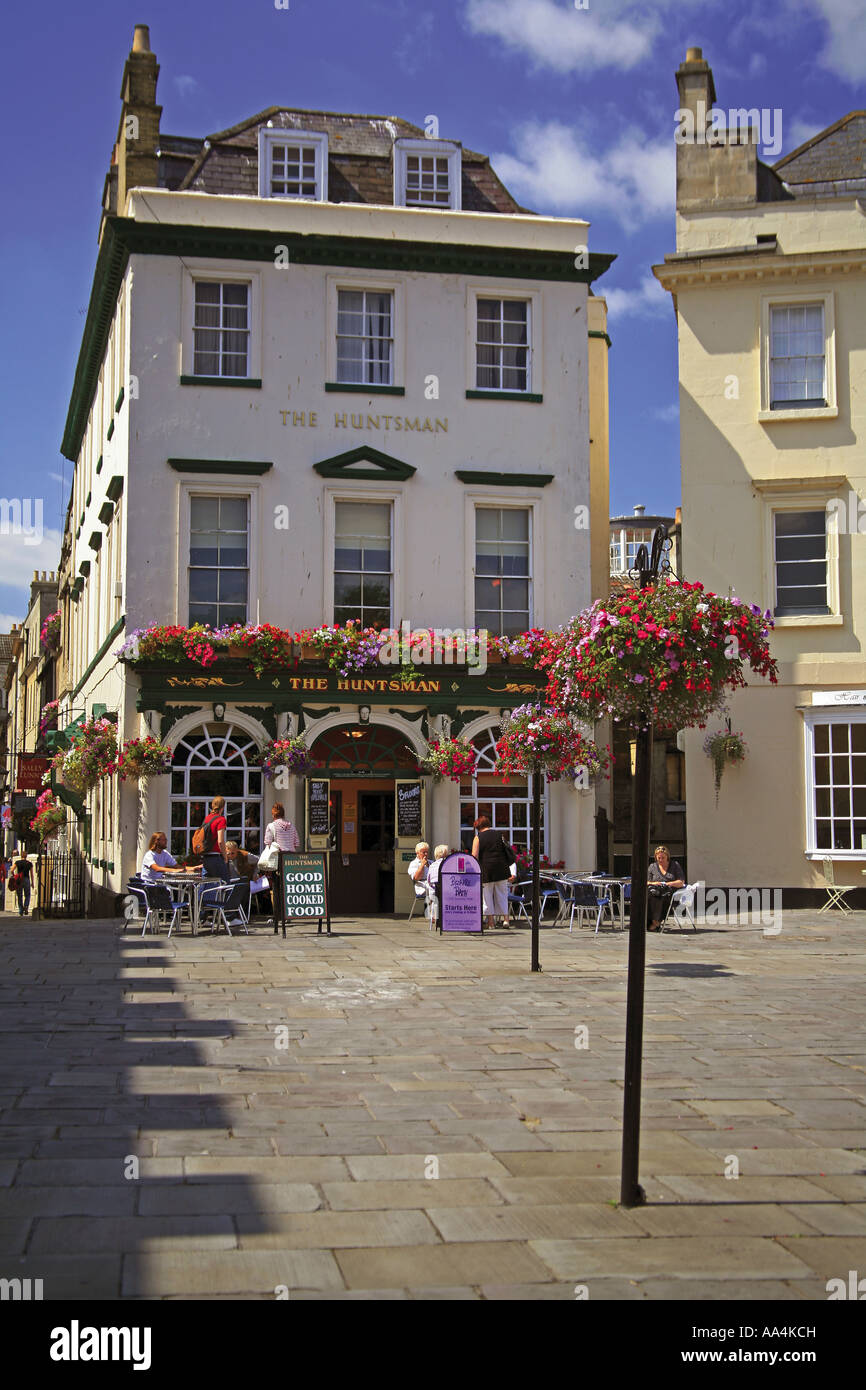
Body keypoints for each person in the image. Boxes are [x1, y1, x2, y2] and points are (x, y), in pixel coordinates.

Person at [472, 816, 516, 930]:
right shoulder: (499, 835)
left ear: (478, 827)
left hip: (487, 870)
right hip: (501, 868)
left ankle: (491, 922)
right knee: (502, 894)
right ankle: (506, 920)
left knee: (487, 896)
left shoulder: (478, 837)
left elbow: (474, 856)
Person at [263, 803, 300, 923]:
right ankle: (287, 914)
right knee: (288, 888)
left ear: (273, 814)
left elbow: (267, 843)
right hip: (290, 860)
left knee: (276, 888)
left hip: (278, 860)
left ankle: (277, 916)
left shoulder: (271, 826)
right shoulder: (291, 826)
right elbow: (296, 843)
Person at [140, 832, 186, 912]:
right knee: (176, 891)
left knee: (182, 890)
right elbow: (157, 868)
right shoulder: (149, 855)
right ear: (157, 842)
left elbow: (177, 866)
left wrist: (192, 868)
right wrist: (175, 871)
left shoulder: (164, 854)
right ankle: (169, 912)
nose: (166, 841)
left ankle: (172, 913)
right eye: (164, 840)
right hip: (150, 886)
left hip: (160, 884)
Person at [226, 840, 270, 916]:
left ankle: (240, 914)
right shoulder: (224, 857)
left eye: (233, 853)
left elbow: (259, 861)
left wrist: (255, 874)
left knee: (242, 892)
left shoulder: (245, 855)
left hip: (244, 881)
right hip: (230, 882)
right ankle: (229, 914)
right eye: (228, 854)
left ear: (237, 850)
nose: (230, 856)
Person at [647, 845, 686, 930]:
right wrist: (655, 883)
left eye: (663, 858)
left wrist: (668, 883)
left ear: (667, 857)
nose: (660, 860)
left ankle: (656, 922)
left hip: (669, 891)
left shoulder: (675, 865)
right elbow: (647, 882)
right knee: (651, 895)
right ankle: (653, 922)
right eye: (659, 858)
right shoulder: (652, 867)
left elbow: (681, 882)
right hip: (655, 889)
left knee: (663, 896)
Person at [199, 796, 229, 882]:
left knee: (206, 885)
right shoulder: (221, 820)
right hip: (216, 857)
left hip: (206, 857)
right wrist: (225, 857)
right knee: (225, 885)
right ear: (223, 807)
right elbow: (220, 841)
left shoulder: (207, 818)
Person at [425, 844, 450, 924]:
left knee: (434, 897)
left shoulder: (432, 865)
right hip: (446, 893)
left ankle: (433, 916)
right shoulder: (448, 864)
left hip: (434, 892)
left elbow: (428, 879)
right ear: (445, 854)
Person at [10, 849, 33, 917]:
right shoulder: (29, 863)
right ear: (26, 856)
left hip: (19, 880)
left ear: (21, 856)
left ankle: (20, 910)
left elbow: (11, 870)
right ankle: (26, 906)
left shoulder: (17, 862)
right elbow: (31, 874)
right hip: (26, 879)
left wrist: (14, 876)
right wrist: (32, 883)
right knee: (27, 894)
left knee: (19, 895)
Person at [407, 842, 430, 910]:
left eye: (427, 852)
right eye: (423, 852)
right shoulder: (413, 864)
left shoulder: (431, 862)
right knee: (435, 891)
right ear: (417, 853)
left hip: (431, 885)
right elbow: (416, 878)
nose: (426, 854)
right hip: (422, 887)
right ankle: (432, 914)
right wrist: (422, 865)